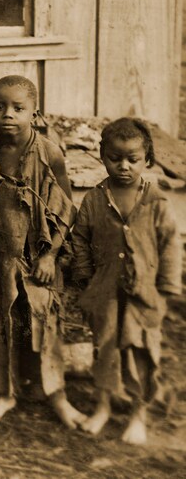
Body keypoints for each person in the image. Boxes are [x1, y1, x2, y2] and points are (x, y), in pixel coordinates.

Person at [0, 75, 84, 428]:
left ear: (34, 113)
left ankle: (58, 396)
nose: (8, 114)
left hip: (38, 253)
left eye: (18, 108)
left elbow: (66, 209)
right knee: (2, 320)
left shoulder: (49, 152)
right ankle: (6, 391)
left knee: (44, 321)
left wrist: (50, 255)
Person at [71, 118, 182, 445]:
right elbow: (80, 239)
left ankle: (138, 414)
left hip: (144, 294)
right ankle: (103, 405)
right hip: (104, 290)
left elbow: (170, 245)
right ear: (102, 156)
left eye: (132, 159)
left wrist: (166, 289)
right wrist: (84, 276)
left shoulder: (155, 201)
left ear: (147, 159)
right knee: (105, 349)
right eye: (115, 158)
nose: (123, 166)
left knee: (140, 352)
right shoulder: (94, 199)